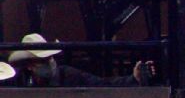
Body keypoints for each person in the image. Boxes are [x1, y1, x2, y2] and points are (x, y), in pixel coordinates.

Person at [8, 34, 156, 87]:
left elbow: (102, 85)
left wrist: (133, 79)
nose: (50, 62)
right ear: (30, 66)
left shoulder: (70, 76)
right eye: (43, 60)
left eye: (50, 58)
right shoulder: (19, 80)